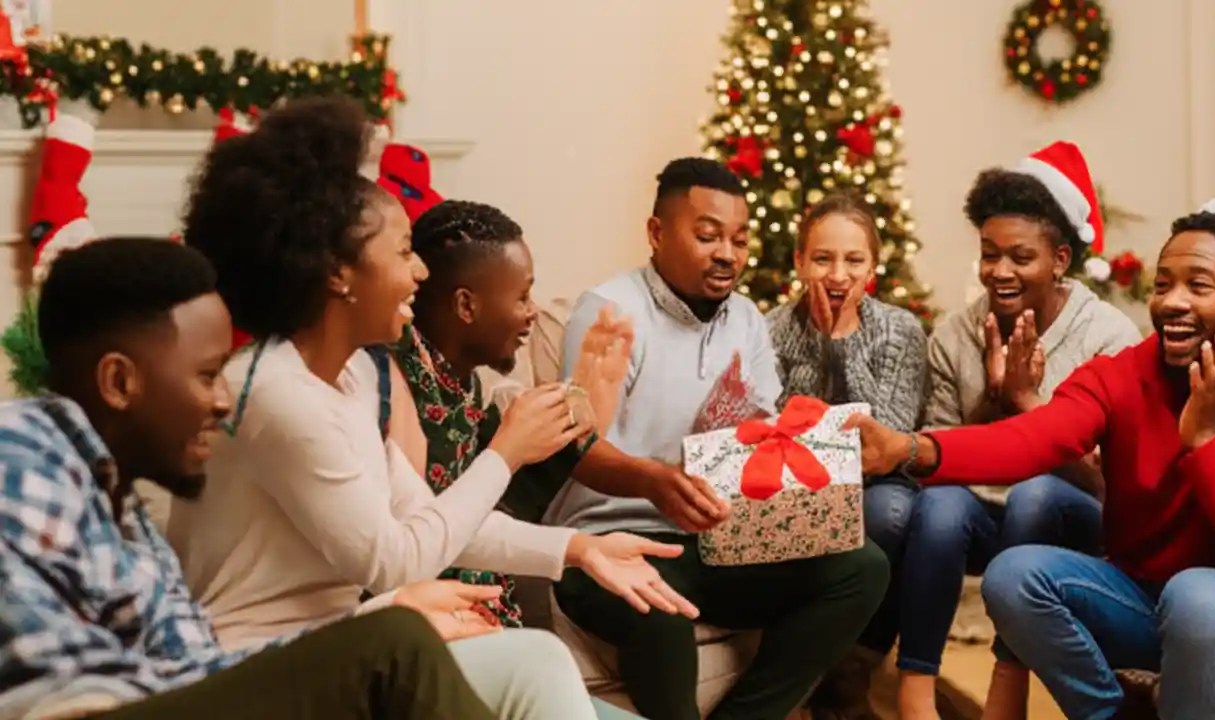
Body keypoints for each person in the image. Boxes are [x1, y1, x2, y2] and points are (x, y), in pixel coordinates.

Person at [167, 97, 671, 720]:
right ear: (337, 273)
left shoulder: (347, 376)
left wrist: (577, 548)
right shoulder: (277, 395)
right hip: (263, 672)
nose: (420, 271)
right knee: (537, 662)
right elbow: (395, 559)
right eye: (405, 251)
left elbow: (424, 516)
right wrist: (505, 453)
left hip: (349, 645)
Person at [0, 237, 503, 720]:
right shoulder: (20, 451)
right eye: (206, 374)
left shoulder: (128, 520)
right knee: (397, 649)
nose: (223, 400)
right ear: (119, 381)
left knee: (399, 642)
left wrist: (367, 624)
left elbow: (202, 675)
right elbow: (59, 692)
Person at [848, 186, 1215, 720]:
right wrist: (908, 447)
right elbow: (1032, 438)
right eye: (1163, 284)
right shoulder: (1127, 373)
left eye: (1198, 286)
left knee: (1201, 597)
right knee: (1014, 576)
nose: (1171, 302)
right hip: (1145, 599)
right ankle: (1116, 714)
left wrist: (1205, 441)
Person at [544, 157, 891, 720]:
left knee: (863, 566)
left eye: (738, 238)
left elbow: (761, 434)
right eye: (707, 236)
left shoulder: (746, 320)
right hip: (609, 541)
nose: (727, 253)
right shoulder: (610, 311)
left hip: (714, 540)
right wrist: (652, 481)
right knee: (663, 613)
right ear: (657, 234)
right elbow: (574, 447)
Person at [889, 141, 1141, 718]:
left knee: (1034, 493)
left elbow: (1112, 486)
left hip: (1075, 516)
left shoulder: (1109, 337)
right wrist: (993, 401)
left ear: (1059, 259)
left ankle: (1010, 673)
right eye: (988, 254)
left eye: (1020, 256)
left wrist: (1029, 404)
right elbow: (936, 457)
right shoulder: (957, 335)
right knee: (942, 506)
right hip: (980, 513)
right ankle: (916, 687)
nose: (999, 272)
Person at [388, 198, 638, 628]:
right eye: (522, 296)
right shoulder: (397, 379)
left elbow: (500, 508)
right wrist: (512, 447)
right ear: (466, 306)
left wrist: (580, 410)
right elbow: (421, 538)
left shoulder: (462, 380)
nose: (533, 312)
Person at [765, 190, 928, 712]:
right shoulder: (772, 329)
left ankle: (852, 666)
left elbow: (888, 435)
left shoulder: (898, 329)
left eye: (854, 260)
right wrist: (820, 347)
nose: (838, 275)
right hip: (798, 480)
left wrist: (840, 347)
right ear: (798, 261)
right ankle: (815, 661)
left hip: (880, 484)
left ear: (873, 267)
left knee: (891, 515)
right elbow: (778, 427)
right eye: (822, 259)